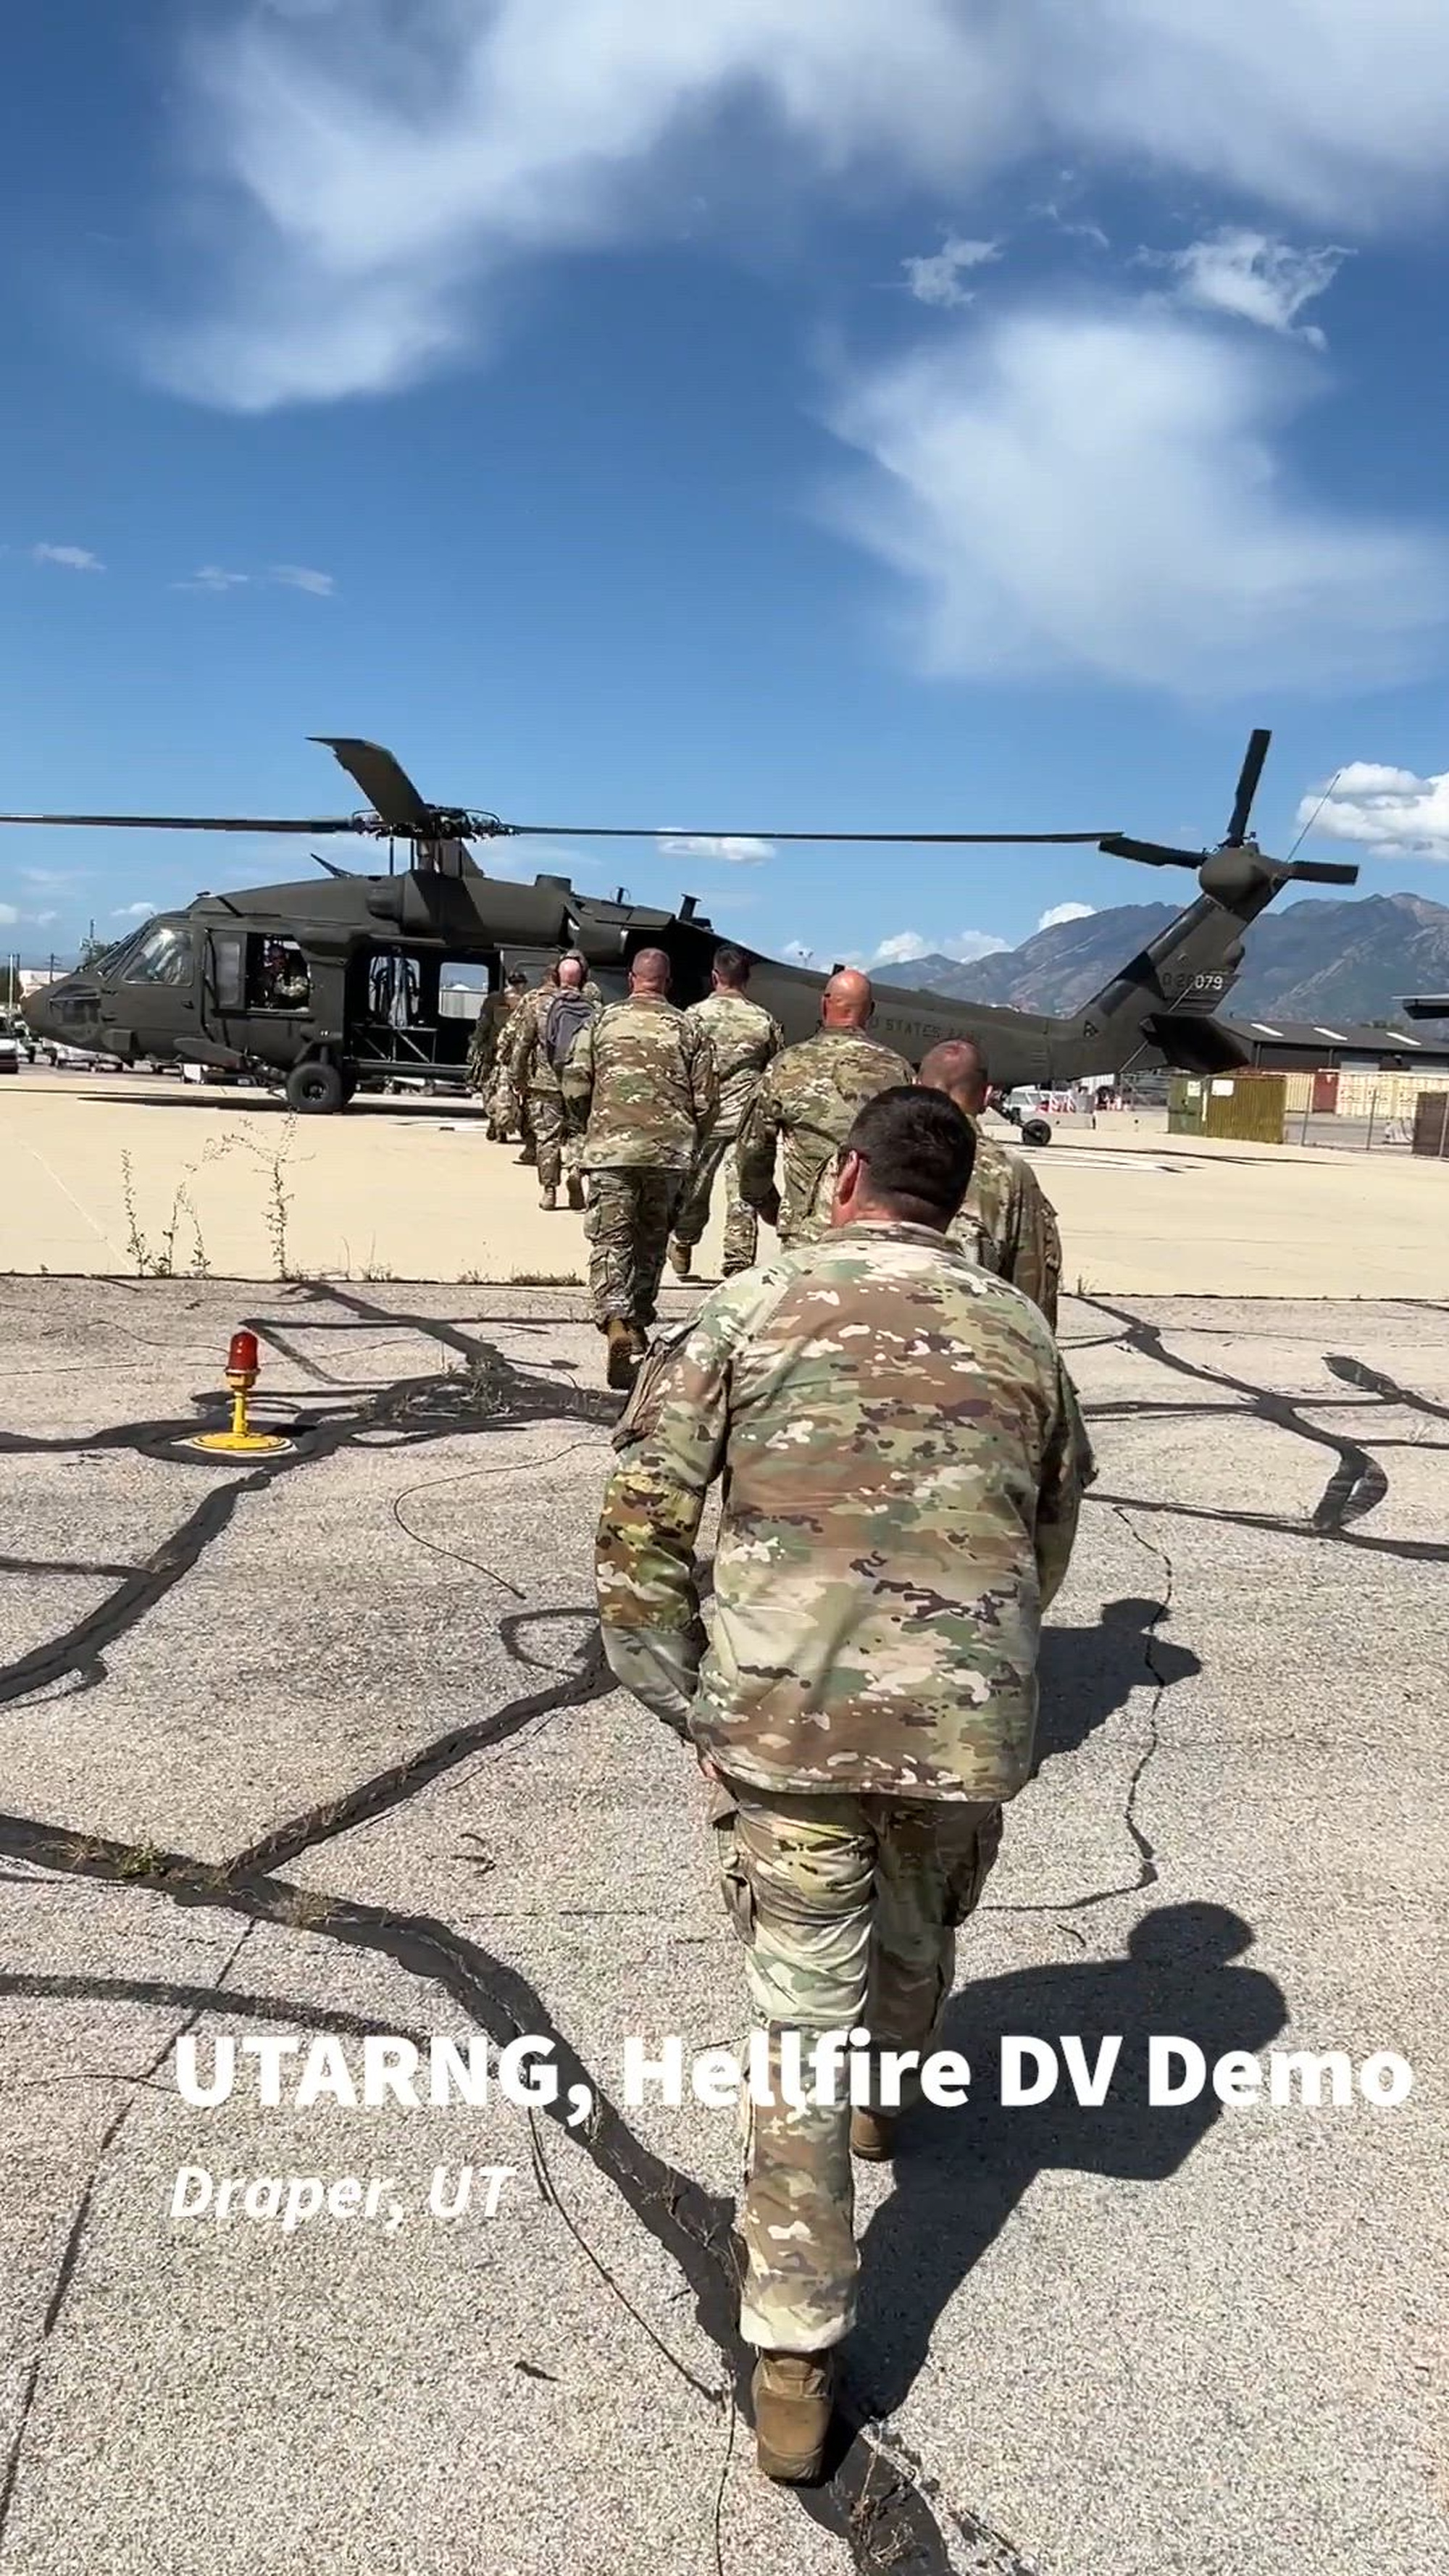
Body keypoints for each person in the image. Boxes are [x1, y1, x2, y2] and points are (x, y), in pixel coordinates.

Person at [596, 1086, 1094, 2483]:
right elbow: (1051, 1532)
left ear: (845, 1180)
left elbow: (640, 1526)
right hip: (959, 1731)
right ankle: (889, 2083)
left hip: (790, 1734)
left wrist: (686, 1697)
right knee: (920, 1932)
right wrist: (974, 1662)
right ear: (958, 1198)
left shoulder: (751, 1311)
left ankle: (795, 2359)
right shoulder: (1023, 1331)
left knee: (794, 2029)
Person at [561, 948, 717, 1389]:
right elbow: (707, 1101)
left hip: (612, 1150)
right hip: (668, 1154)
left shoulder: (601, 1022)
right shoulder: (690, 1028)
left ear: (632, 980)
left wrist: (591, 1126)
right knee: (651, 1241)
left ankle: (615, 1319)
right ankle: (638, 1321)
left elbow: (575, 1085)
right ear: (667, 983)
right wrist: (689, 1140)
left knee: (611, 1239)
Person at [737, 968, 913, 1247]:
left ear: (823, 1004)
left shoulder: (785, 1066)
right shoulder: (899, 1071)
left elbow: (753, 1147)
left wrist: (766, 1203)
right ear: (871, 1011)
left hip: (806, 1233)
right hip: (874, 1231)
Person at [917, 1038, 1063, 1326]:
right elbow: (1032, 1294)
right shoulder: (1010, 1174)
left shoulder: (867, 1152)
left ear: (914, 1084)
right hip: (967, 1338)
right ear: (986, 1096)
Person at [667, 945, 784, 1280]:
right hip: (746, 1121)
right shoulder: (763, 1020)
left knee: (694, 1187)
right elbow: (775, 1069)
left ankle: (683, 1242)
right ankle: (737, 1262)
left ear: (715, 976)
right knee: (743, 1194)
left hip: (703, 1119)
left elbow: (679, 1067)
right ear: (746, 980)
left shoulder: (693, 1017)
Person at [515, 952, 601, 1211]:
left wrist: (518, 1077)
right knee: (578, 1132)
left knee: (547, 1136)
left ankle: (549, 1191)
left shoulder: (538, 1003)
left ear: (556, 976)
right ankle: (575, 1171)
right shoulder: (593, 1008)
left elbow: (523, 1044)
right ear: (583, 978)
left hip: (545, 1083)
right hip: (579, 1082)